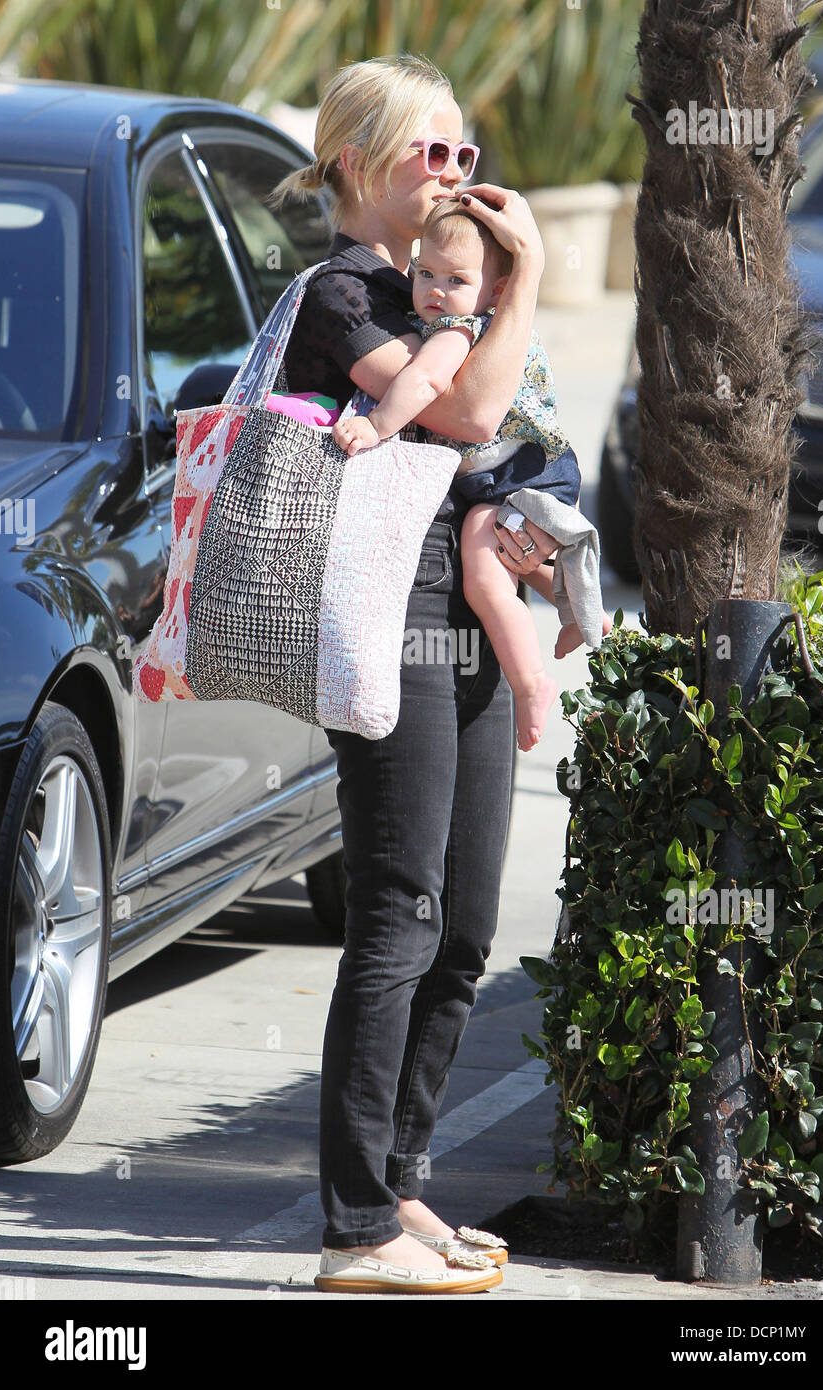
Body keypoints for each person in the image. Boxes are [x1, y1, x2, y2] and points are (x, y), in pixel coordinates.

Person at [269, 53, 560, 1295]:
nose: (454, 175)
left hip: (469, 622)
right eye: (426, 154)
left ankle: (397, 1181)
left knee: (470, 922)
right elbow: (468, 419)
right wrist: (532, 277)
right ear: (352, 161)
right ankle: (353, 1228)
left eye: (464, 156)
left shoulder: (429, 289)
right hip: (391, 625)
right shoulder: (346, 294)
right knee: (399, 911)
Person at [333, 201, 612, 751]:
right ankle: (581, 609)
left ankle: (530, 682)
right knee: (508, 555)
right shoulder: (480, 324)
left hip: (517, 473)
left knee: (484, 576)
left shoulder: (459, 331)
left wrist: (377, 426)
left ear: (496, 290)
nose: (435, 290)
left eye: (456, 279)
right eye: (425, 273)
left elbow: (424, 382)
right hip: (520, 468)